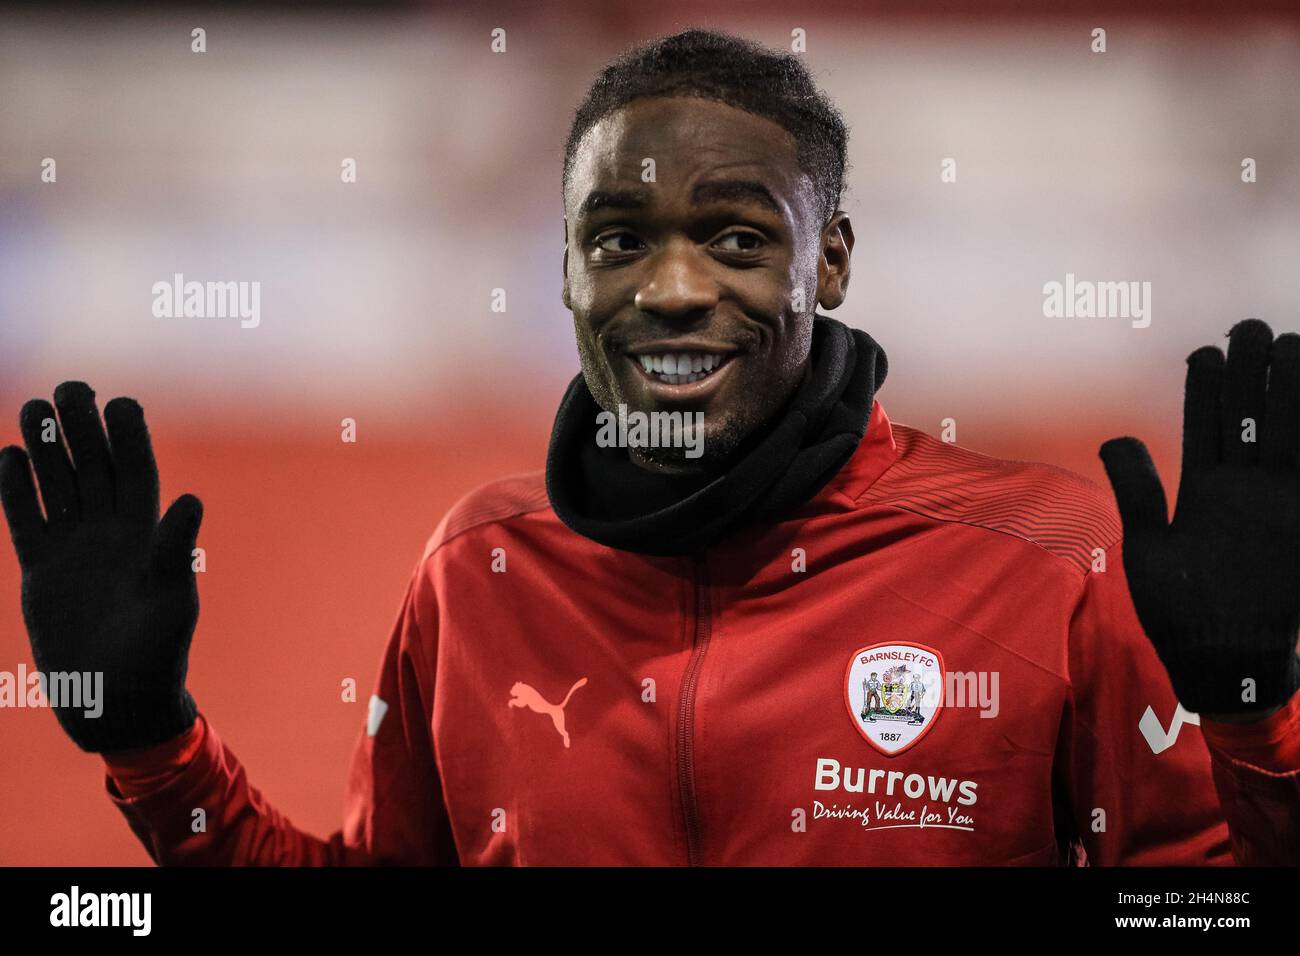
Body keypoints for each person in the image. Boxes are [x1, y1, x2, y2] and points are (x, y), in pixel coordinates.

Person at [2, 29, 1298, 866]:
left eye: (735, 236)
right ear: (567, 269)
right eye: (618, 238)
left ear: (829, 255)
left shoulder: (1049, 565)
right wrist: (150, 743)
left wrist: (1256, 723)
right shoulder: (480, 570)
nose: (672, 288)